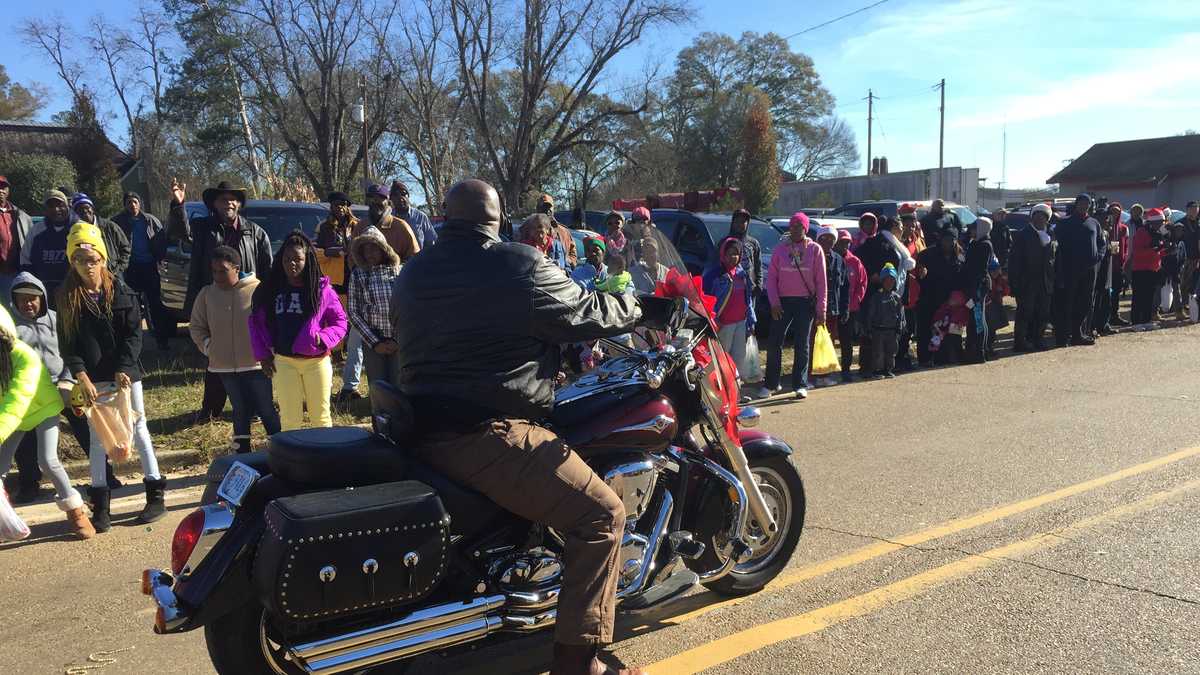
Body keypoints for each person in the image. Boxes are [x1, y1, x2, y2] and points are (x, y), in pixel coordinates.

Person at [391, 178, 651, 675]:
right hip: (486, 431)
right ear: (496, 220)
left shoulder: (414, 270)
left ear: (446, 217)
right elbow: (586, 310)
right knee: (603, 515)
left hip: (419, 426)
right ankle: (580, 666)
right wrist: (636, 306)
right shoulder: (517, 264)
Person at [57, 223, 165, 532]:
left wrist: (124, 368)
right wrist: (81, 375)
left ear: (103, 259)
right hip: (92, 378)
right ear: (72, 262)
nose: (87, 266)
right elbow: (68, 344)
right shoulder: (66, 298)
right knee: (97, 440)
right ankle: (101, 507)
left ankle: (155, 495)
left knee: (138, 429)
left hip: (125, 374)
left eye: (93, 260)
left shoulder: (121, 291)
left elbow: (133, 334)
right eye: (79, 260)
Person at [169, 179, 274, 422]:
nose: (229, 203)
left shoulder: (255, 232)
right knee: (216, 355)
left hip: (246, 300)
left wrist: (265, 300)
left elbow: (267, 269)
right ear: (214, 204)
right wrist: (178, 205)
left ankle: (255, 409)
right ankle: (210, 410)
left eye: (233, 199)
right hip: (216, 299)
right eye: (223, 199)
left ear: (239, 204)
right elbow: (179, 232)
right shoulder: (203, 228)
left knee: (250, 356)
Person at [0, 301, 94, 538]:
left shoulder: (24, 356)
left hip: (43, 409)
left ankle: (76, 511)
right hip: (14, 417)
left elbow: (18, 398)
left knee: (47, 460)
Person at [249, 232, 348, 431]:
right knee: (289, 419)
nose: (291, 263)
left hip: (317, 362)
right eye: (287, 259)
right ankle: (292, 452)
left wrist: (324, 338)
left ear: (307, 260)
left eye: (297, 259)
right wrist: (263, 355)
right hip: (284, 362)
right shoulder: (271, 290)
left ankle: (323, 451)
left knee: (320, 417)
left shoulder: (321, 290)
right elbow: (255, 323)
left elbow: (340, 322)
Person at [189, 246, 280, 454]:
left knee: (265, 408)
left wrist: (270, 350)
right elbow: (196, 326)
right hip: (224, 366)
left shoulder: (257, 290)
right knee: (239, 409)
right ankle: (242, 451)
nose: (217, 276)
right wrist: (209, 347)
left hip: (257, 364)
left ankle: (279, 447)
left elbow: (271, 322)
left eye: (223, 271)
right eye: (214, 271)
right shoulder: (207, 294)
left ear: (237, 269)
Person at [765, 212, 827, 399]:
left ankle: (800, 384)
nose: (795, 229)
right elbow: (771, 279)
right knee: (774, 342)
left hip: (805, 302)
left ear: (805, 228)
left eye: (799, 226)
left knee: (802, 344)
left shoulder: (815, 249)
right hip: (782, 302)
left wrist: (821, 309)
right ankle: (771, 384)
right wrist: (774, 302)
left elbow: (821, 282)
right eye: (792, 226)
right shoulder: (780, 249)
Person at [704, 237, 763, 398]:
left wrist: (751, 321)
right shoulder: (714, 275)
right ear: (722, 254)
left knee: (738, 360)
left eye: (736, 254)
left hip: (741, 323)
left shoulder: (742, 274)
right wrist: (713, 319)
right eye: (729, 253)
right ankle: (721, 395)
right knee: (721, 360)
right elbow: (705, 299)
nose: (733, 257)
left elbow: (747, 299)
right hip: (723, 325)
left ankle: (735, 394)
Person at [112, 192, 172, 351]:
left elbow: (162, 240)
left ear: (140, 203)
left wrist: (160, 258)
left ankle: (162, 341)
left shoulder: (150, 221)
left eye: (135, 202)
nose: (132, 205)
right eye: (129, 202)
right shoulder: (117, 222)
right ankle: (135, 344)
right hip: (129, 269)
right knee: (132, 307)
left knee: (156, 305)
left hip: (150, 267)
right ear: (124, 205)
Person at [319, 192, 363, 406]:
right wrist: (329, 252)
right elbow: (316, 250)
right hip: (335, 280)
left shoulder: (357, 225)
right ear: (331, 206)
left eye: (344, 204)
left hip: (355, 278)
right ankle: (335, 355)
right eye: (337, 204)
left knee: (354, 325)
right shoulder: (324, 227)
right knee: (335, 322)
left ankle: (351, 377)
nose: (341, 208)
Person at [347, 227, 403, 386]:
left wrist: (398, 339)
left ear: (384, 249)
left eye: (374, 248)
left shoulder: (399, 271)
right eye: (365, 249)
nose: (369, 253)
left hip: (398, 339)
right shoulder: (358, 274)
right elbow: (353, 311)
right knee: (378, 385)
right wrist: (375, 342)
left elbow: (408, 309)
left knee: (399, 384)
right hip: (372, 339)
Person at [1052, 194, 1104, 346]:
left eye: (1087, 204)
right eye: (1081, 203)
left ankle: (1077, 334)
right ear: (1076, 204)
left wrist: (1098, 256)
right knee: (1067, 302)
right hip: (1070, 269)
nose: (1084, 206)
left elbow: (1101, 243)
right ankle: (1062, 336)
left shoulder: (1094, 223)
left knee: (1085, 302)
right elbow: (1057, 244)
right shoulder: (1064, 222)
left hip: (1090, 269)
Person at [852, 212, 900, 374]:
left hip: (884, 291)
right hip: (866, 291)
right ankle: (866, 367)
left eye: (871, 224)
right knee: (867, 329)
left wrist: (885, 277)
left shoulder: (884, 242)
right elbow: (858, 264)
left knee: (883, 331)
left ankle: (884, 367)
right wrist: (871, 274)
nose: (868, 227)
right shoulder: (857, 243)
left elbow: (894, 260)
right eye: (865, 224)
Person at [1008, 204, 1055, 351]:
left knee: (1042, 312)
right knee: (1025, 313)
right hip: (1027, 282)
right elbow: (1014, 262)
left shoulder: (1051, 235)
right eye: (1036, 216)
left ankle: (1038, 339)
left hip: (1045, 281)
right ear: (1032, 218)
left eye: (1043, 217)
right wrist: (1014, 284)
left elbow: (1055, 258)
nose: (1039, 219)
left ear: (1047, 219)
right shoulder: (1023, 235)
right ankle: (1020, 342)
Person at [914, 227, 963, 363]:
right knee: (925, 330)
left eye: (952, 240)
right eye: (946, 240)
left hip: (949, 301)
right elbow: (918, 276)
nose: (948, 243)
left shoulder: (959, 255)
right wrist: (921, 273)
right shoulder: (926, 255)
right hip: (929, 299)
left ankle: (945, 357)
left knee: (949, 330)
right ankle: (925, 359)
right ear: (940, 240)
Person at [21, 190, 75, 305]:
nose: (56, 209)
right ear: (45, 209)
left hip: (74, 291)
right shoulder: (36, 230)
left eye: (60, 205)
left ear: (68, 205)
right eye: (51, 206)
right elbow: (25, 261)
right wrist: (33, 287)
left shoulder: (79, 228)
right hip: (43, 292)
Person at [815, 226, 847, 385]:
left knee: (829, 341)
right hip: (815, 308)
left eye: (831, 239)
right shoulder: (813, 256)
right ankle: (812, 375)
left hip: (833, 307)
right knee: (813, 342)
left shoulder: (839, 259)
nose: (828, 241)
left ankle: (826, 374)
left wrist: (845, 308)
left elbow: (844, 286)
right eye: (824, 238)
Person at [71, 193, 132, 277]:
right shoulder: (77, 234)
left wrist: (119, 269)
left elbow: (126, 248)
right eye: (79, 209)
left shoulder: (109, 226)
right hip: (91, 277)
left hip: (114, 274)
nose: (84, 211)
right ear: (75, 213)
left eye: (87, 207)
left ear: (92, 208)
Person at [960, 217, 995, 363]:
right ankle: (971, 350)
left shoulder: (985, 245)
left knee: (979, 319)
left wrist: (975, 291)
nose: (971, 231)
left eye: (974, 228)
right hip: (971, 286)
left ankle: (980, 352)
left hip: (978, 286)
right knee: (972, 320)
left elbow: (980, 269)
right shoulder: (974, 243)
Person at [359, 183, 420, 263]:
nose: (375, 200)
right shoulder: (360, 226)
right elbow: (352, 258)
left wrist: (397, 268)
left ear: (389, 202)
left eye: (381, 197)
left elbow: (415, 258)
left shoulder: (401, 227)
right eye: (371, 197)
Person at [834, 230, 866, 382]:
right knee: (828, 339)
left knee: (846, 341)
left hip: (849, 308)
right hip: (831, 307)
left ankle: (846, 369)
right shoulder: (828, 259)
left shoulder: (855, 261)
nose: (844, 245)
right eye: (841, 242)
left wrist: (855, 302)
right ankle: (824, 369)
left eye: (847, 242)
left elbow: (862, 283)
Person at [863, 264, 904, 378]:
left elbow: (901, 314)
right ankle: (877, 370)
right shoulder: (876, 297)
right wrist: (869, 328)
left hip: (892, 330)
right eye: (887, 280)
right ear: (882, 281)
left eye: (892, 280)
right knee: (878, 352)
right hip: (878, 330)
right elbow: (871, 314)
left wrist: (900, 326)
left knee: (891, 351)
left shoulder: (896, 298)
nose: (889, 283)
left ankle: (888, 369)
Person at [1130, 208, 1169, 326]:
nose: (1161, 225)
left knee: (1149, 297)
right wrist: (1154, 249)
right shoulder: (1142, 232)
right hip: (1140, 269)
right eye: (1160, 222)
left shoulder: (1157, 233)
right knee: (1139, 297)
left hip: (1153, 269)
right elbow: (1137, 252)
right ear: (1152, 222)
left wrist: (1166, 251)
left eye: (1162, 222)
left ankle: (1146, 321)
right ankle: (1136, 322)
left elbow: (1158, 253)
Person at [0, 175, 33, 304]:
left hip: (16, 274)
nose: (0, 190)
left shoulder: (21, 216)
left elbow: (31, 244)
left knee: (14, 309)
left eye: (3, 187)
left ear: (8, 191)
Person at [1099, 202, 1130, 328]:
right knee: (1105, 293)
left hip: (1118, 264)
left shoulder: (1123, 228)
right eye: (1112, 211)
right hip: (1106, 264)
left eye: (1117, 212)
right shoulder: (1105, 228)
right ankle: (1104, 318)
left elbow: (1126, 246)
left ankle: (1114, 315)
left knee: (1116, 292)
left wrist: (1124, 261)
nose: (1115, 214)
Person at [390, 180, 437, 249]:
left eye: (403, 194)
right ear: (391, 199)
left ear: (408, 196)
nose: (400, 198)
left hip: (420, 255)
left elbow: (432, 242)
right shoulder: (388, 218)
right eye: (396, 195)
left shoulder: (421, 217)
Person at [726, 209, 763, 295]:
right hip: (730, 289)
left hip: (749, 289)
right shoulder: (726, 242)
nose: (740, 224)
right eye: (737, 221)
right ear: (733, 223)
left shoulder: (753, 243)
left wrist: (759, 284)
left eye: (743, 222)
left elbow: (758, 266)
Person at [535, 194, 575, 269]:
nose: (547, 210)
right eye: (544, 207)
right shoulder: (529, 230)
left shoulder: (564, 231)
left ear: (553, 209)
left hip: (561, 273)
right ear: (537, 209)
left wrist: (567, 264)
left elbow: (573, 253)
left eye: (549, 207)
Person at [929, 290, 969, 364]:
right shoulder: (945, 306)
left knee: (955, 343)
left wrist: (961, 323)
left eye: (953, 299)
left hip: (955, 330)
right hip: (942, 330)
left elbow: (964, 319)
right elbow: (938, 316)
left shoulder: (962, 309)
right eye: (950, 299)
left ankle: (955, 358)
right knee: (942, 344)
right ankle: (940, 360)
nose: (950, 300)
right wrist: (938, 323)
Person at [1179, 200, 1200, 315]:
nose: (1194, 211)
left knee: (1194, 283)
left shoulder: (1198, 223)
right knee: (1184, 283)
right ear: (1187, 210)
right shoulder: (1181, 223)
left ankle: (1191, 304)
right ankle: (1183, 305)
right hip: (1185, 258)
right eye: (1192, 209)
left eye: (1196, 209)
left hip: (1197, 257)